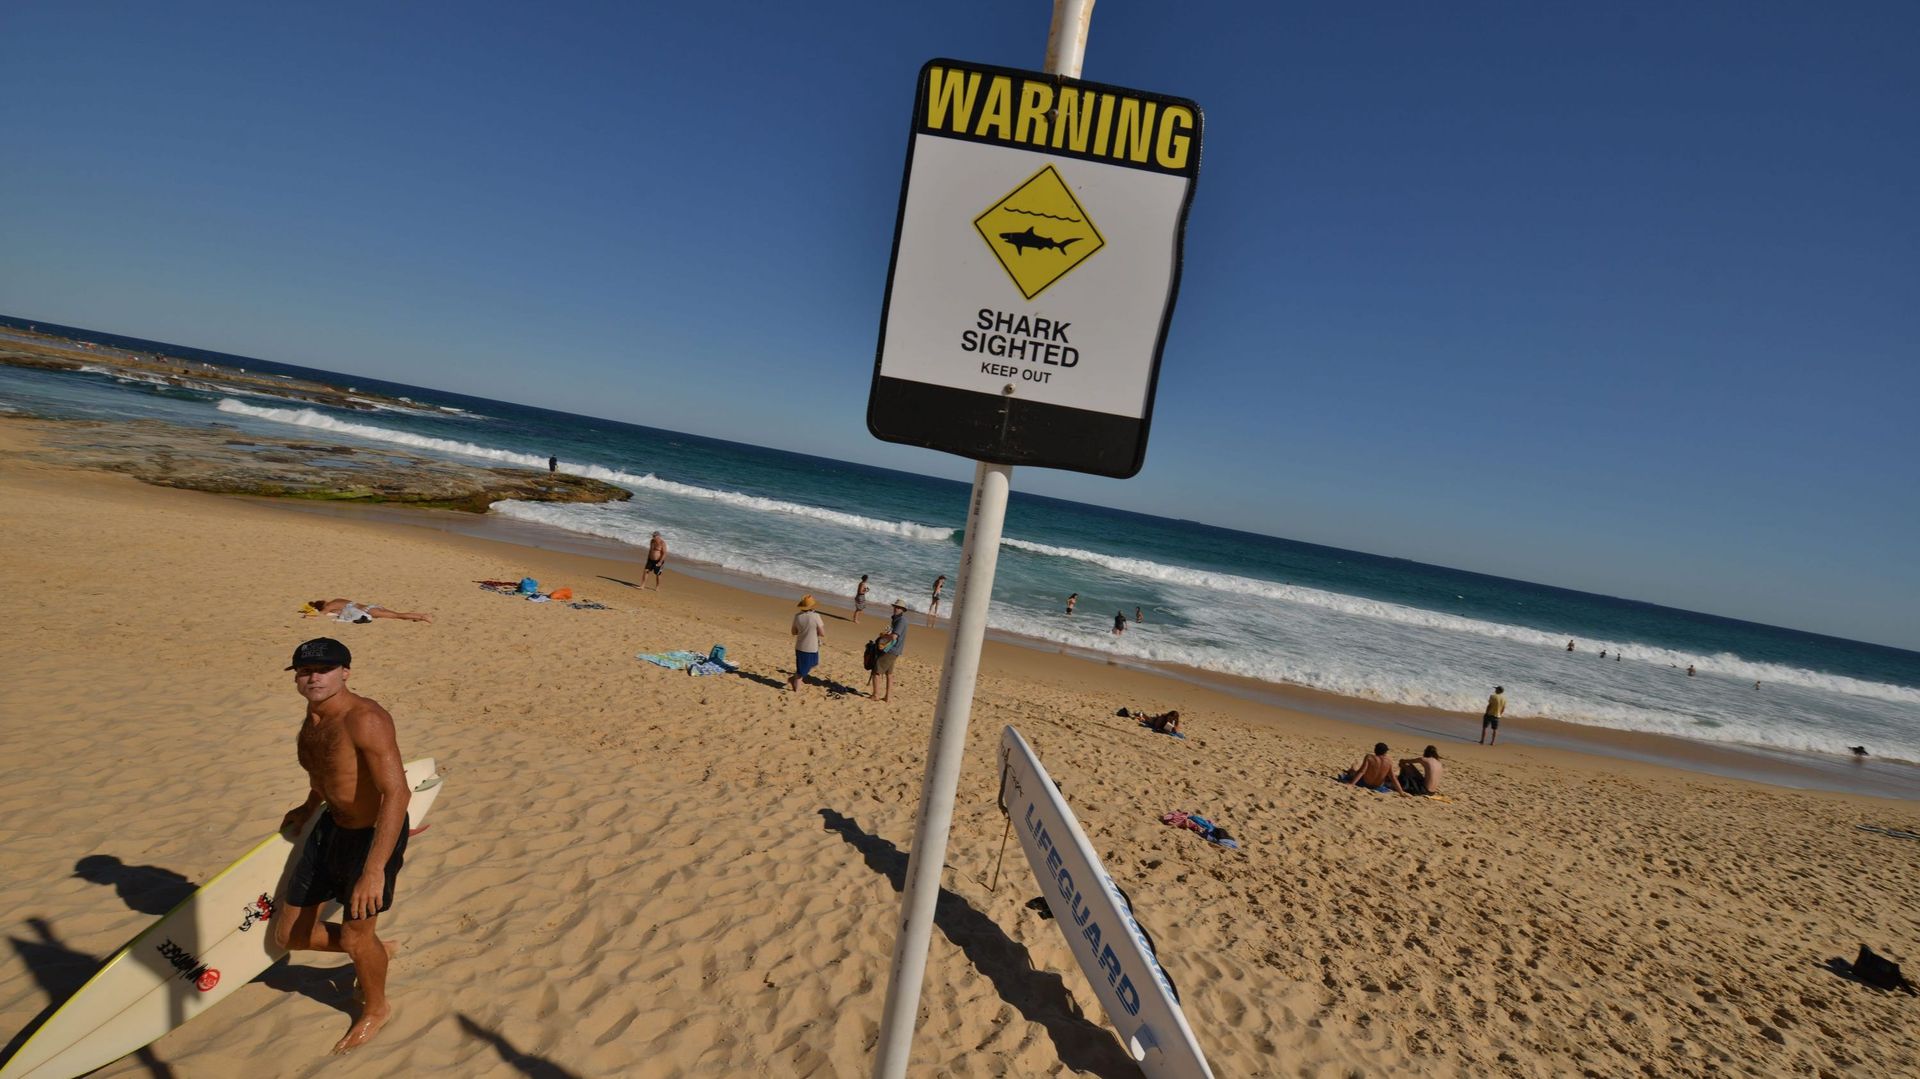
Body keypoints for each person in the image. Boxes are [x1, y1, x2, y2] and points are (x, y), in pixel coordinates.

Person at [272, 638, 412, 1055]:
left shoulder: (365, 719)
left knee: (355, 936)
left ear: (345, 672)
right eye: (304, 671)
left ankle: (376, 1007)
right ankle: (373, 950)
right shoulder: (315, 716)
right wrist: (309, 804)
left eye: (324, 669)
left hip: (371, 836)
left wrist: (373, 870)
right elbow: (325, 770)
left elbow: (398, 794)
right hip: (330, 825)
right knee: (290, 935)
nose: (313, 677)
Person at [788, 595, 826, 692]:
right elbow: (822, 633)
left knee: (812, 664)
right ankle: (795, 686)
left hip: (800, 646)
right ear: (812, 607)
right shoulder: (816, 616)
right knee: (802, 671)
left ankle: (795, 679)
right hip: (811, 647)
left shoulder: (797, 616)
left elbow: (793, 632)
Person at [1340, 743, 1405, 793]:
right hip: (1378, 787)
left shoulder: (1369, 757)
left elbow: (1362, 771)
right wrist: (1401, 792)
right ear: (1385, 752)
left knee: (1352, 772)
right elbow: (1393, 778)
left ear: (1375, 750)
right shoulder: (1389, 761)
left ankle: (1351, 770)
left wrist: (1352, 784)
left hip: (1365, 783)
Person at [306, 598, 432, 624]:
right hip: (371, 606)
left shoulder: (329, 607)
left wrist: (308, 615)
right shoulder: (337, 600)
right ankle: (417, 617)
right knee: (396, 613)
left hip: (368, 610)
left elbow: (320, 615)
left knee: (397, 615)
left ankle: (423, 616)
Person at [868, 623, 900, 702]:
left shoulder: (899, 624)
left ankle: (876, 695)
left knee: (876, 672)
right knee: (889, 674)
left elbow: (891, 640)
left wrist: (884, 637)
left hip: (888, 652)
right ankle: (888, 697)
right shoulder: (899, 625)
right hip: (895, 652)